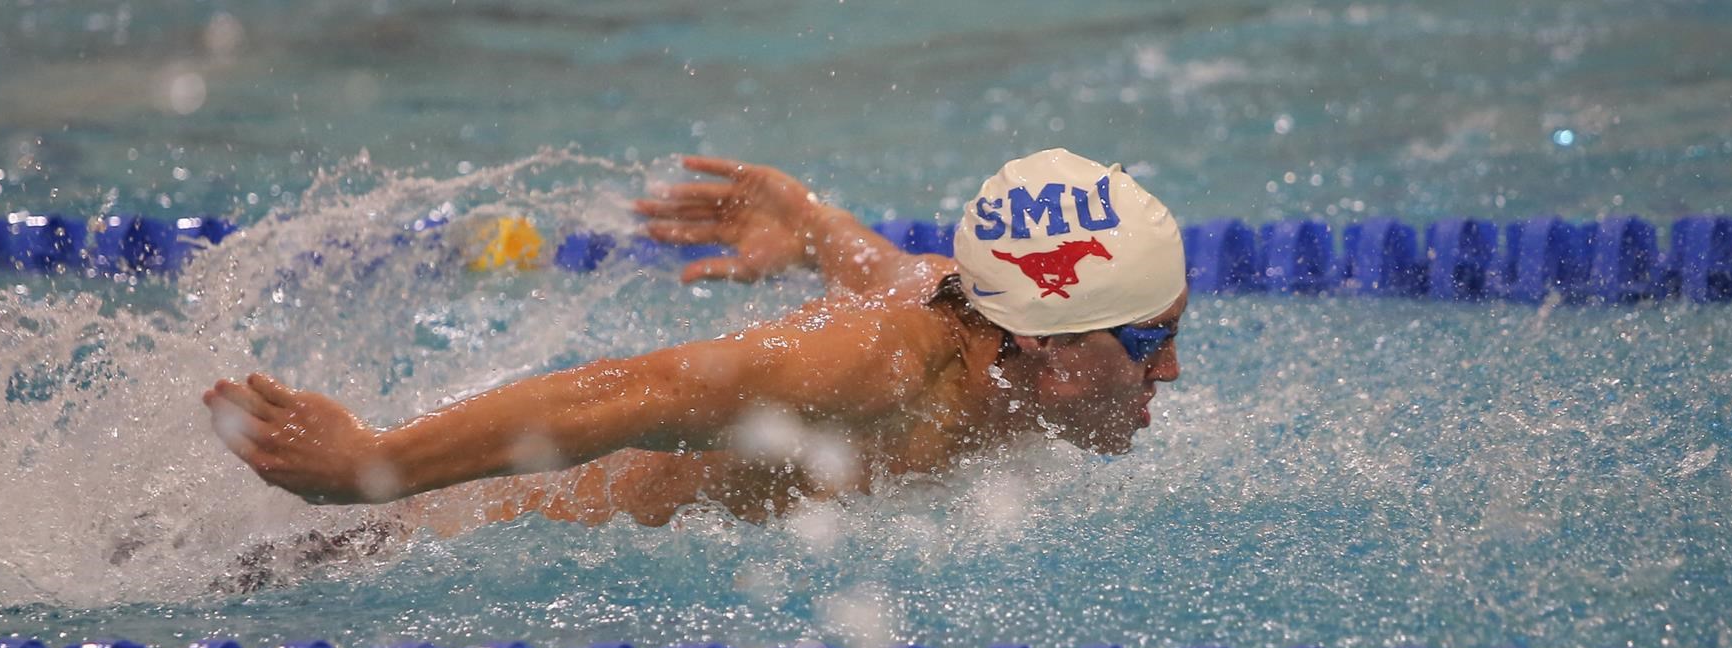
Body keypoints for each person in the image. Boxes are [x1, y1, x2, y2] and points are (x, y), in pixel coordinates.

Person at [202, 149, 1188, 537]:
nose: (1171, 371)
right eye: (1151, 340)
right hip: (471, 527)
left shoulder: (983, 326)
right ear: (1053, 342)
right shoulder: (879, 366)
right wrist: (372, 464)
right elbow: (629, 390)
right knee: (233, 568)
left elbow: (890, 270)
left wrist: (807, 224)